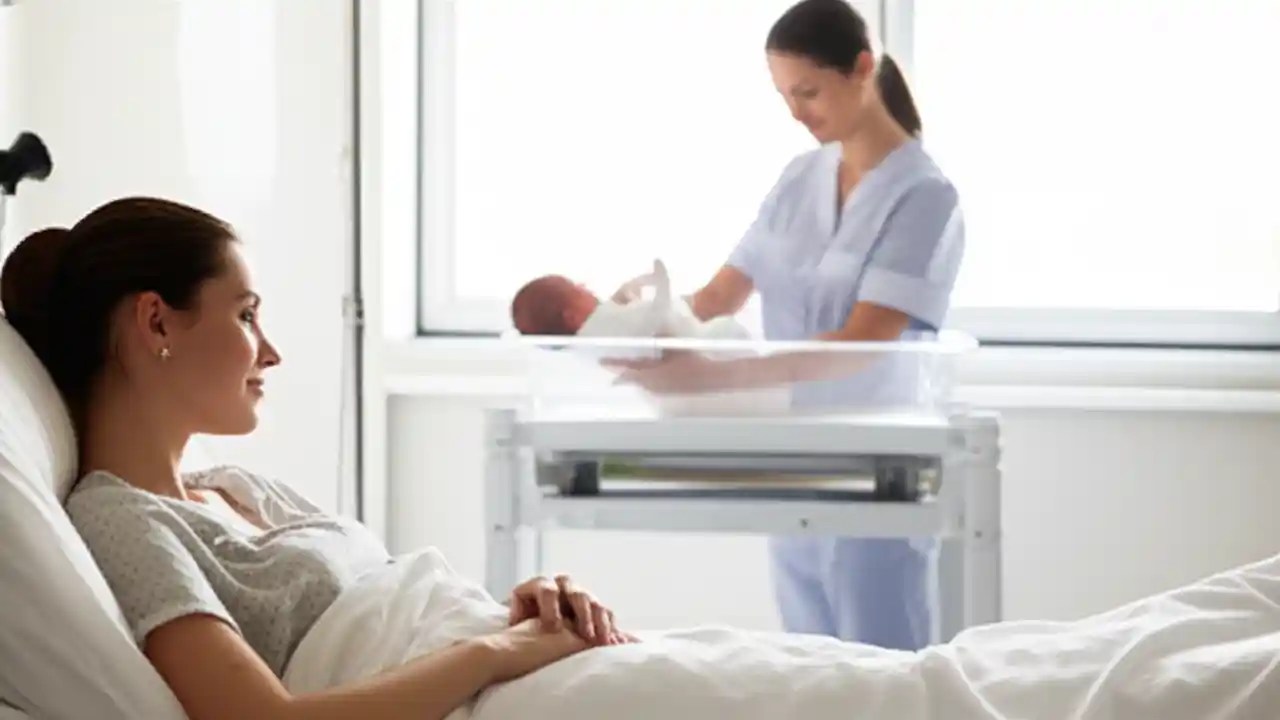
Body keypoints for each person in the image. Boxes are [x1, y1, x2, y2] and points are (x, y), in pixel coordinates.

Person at [0, 197, 637, 720]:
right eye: (246, 315)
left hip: (520, 669)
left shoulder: (237, 489)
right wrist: (496, 650)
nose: (270, 351)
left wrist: (525, 610)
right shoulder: (123, 521)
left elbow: (399, 606)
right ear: (157, 323)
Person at [615, 0, 965, 650]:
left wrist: (711, 379)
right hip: (791, 460)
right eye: (784, 96)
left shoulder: (925, 197)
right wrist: (638, 322)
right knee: (805, 667)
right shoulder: (800, 177)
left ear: (862, 69)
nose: (796, 113)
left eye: (808, 91)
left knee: (884, 670)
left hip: (874, 466)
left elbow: (862, 343)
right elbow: (718, 295)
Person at [511, 259, 749, 339]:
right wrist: (662, 284)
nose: (585, 287)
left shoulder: (594, 332)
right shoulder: (600, 332)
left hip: (686, 324)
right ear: (571, 317)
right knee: (726, 329)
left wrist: (631, 288)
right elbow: (652, 317)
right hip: (695, 335)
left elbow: (617, 306)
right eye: (577, 289)